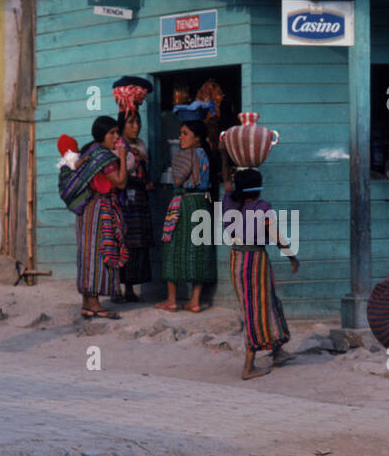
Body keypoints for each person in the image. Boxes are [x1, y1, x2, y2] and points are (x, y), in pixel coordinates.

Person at [222, 168, 297, 379]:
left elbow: (227, 182)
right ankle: (248, 366)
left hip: (237, 259)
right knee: (258, 309)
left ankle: (277, 351)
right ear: (259, 187)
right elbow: (276, 237)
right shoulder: (264, 208)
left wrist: (223, 154)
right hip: (255, 260)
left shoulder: (229, 201)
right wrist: (292, 257)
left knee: (264, 303)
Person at [158, 116, 217, 312]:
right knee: (198, 250)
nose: (180, 137)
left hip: (186, 204)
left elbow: (177, 180)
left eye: (185, 134)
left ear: (197, 138)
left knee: (172, 248)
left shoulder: (186, 154)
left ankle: (172, 299)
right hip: (203, 203)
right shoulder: (205, 154)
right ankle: (195, 301)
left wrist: (179, 156)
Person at [74, 116, 129, 319]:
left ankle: (87, 303)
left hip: (86, 208)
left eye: (117, 132)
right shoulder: (103, 156)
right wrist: (122, 156)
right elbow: (120, 183)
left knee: (87, 253)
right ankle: (95, 304)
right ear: (101, 135)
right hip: (100, 209)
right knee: (99, 252)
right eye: (111, 133)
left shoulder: (89, 152)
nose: (116, 137)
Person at [112, 109, 154, 304]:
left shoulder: (141, 145)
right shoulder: (118, 146)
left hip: (139, 201)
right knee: (121, 241)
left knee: (136, 245)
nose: (136, 126)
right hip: (123, 200)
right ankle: (115, 289)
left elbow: (142, 170)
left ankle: (129, 288)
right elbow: (118, 173)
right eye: (131, 122)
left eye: (138, 122)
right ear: (121, 126)